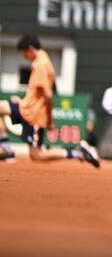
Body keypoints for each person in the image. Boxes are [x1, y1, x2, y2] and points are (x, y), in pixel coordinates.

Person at [0, 35, 99, 167]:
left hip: (33, 115)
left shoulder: (41, 64)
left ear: (30, 49)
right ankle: (6, 149)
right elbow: (38, 93)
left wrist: (50, 120)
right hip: (27, 107)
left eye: (24, 54)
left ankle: (77, 152)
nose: (25, 57)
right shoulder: (41, 60)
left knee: (37, 155)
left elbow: (47, 95)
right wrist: (22, 100)